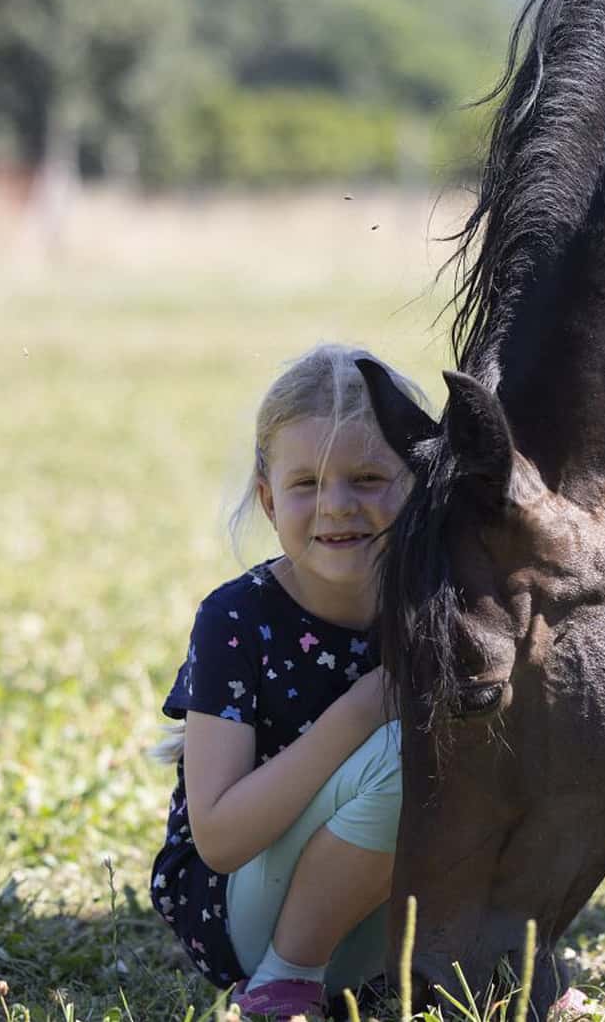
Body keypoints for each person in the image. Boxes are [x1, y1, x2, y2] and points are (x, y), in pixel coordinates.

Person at [148, 344, 420, 1021]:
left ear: (420, 483)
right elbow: (219, 839)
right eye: (307, 484)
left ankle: (497, 954)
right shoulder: (237, 619)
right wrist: (359, 714)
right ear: (269, 501)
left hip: (392, 929)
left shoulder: (439, 604)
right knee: (407, 753)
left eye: (367, 477)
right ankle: (287, 981)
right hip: (252, 916)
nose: (338, 505)